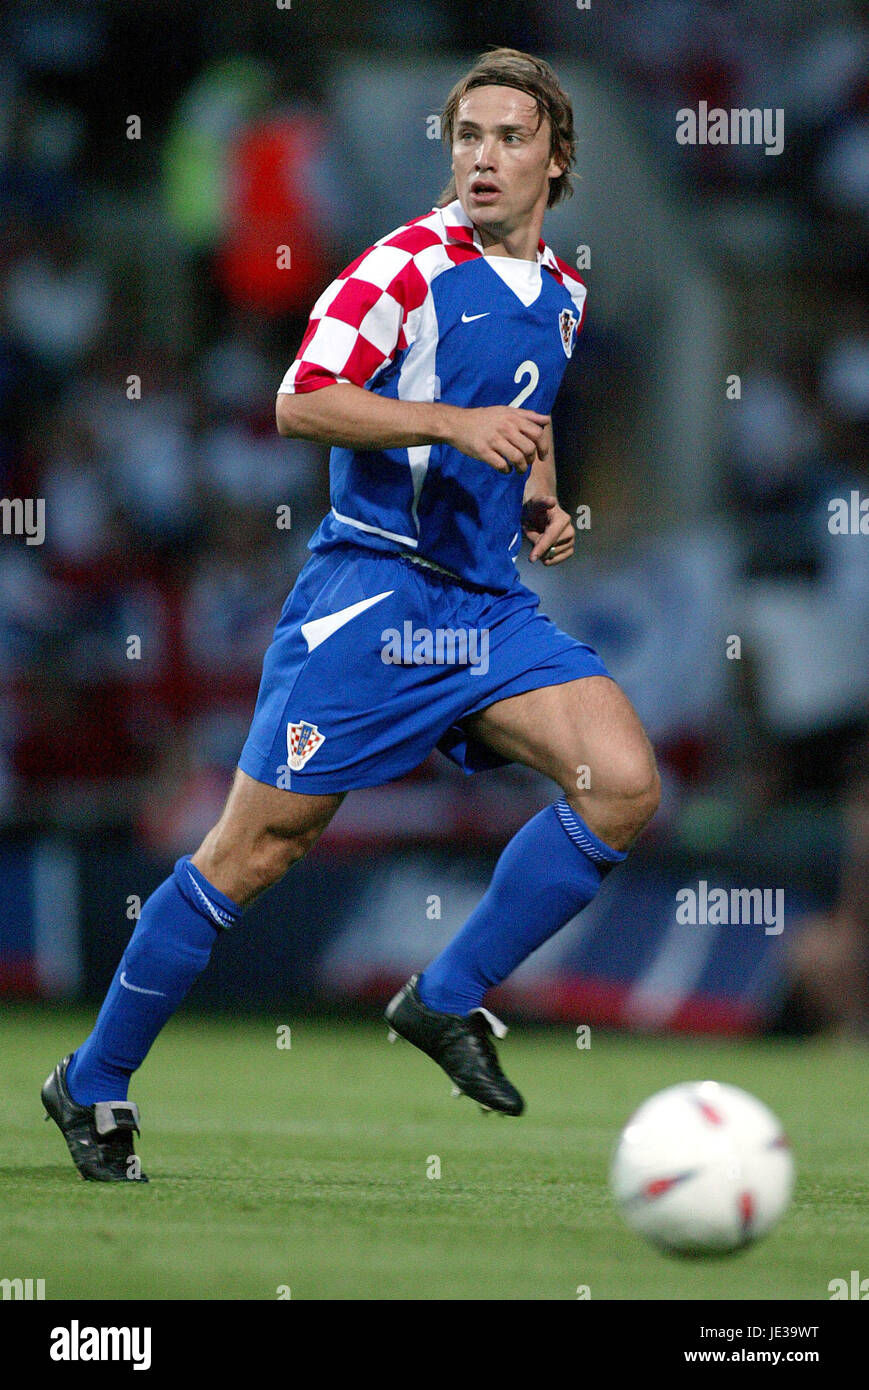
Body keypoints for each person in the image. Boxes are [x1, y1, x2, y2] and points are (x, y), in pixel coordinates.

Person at [43, 48, 660, 1181]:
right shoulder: (401, 265)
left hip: (485, 611)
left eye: (507, 137)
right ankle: (91, 1080)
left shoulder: (564, 295)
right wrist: (448, 427)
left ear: (555, 160)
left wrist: (539, 501)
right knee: (258, 848)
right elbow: (300, 400)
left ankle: (445, 996)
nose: (480, 156)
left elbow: (524, 413)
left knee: (621, 782)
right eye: (465, 135)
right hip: (372, 597)